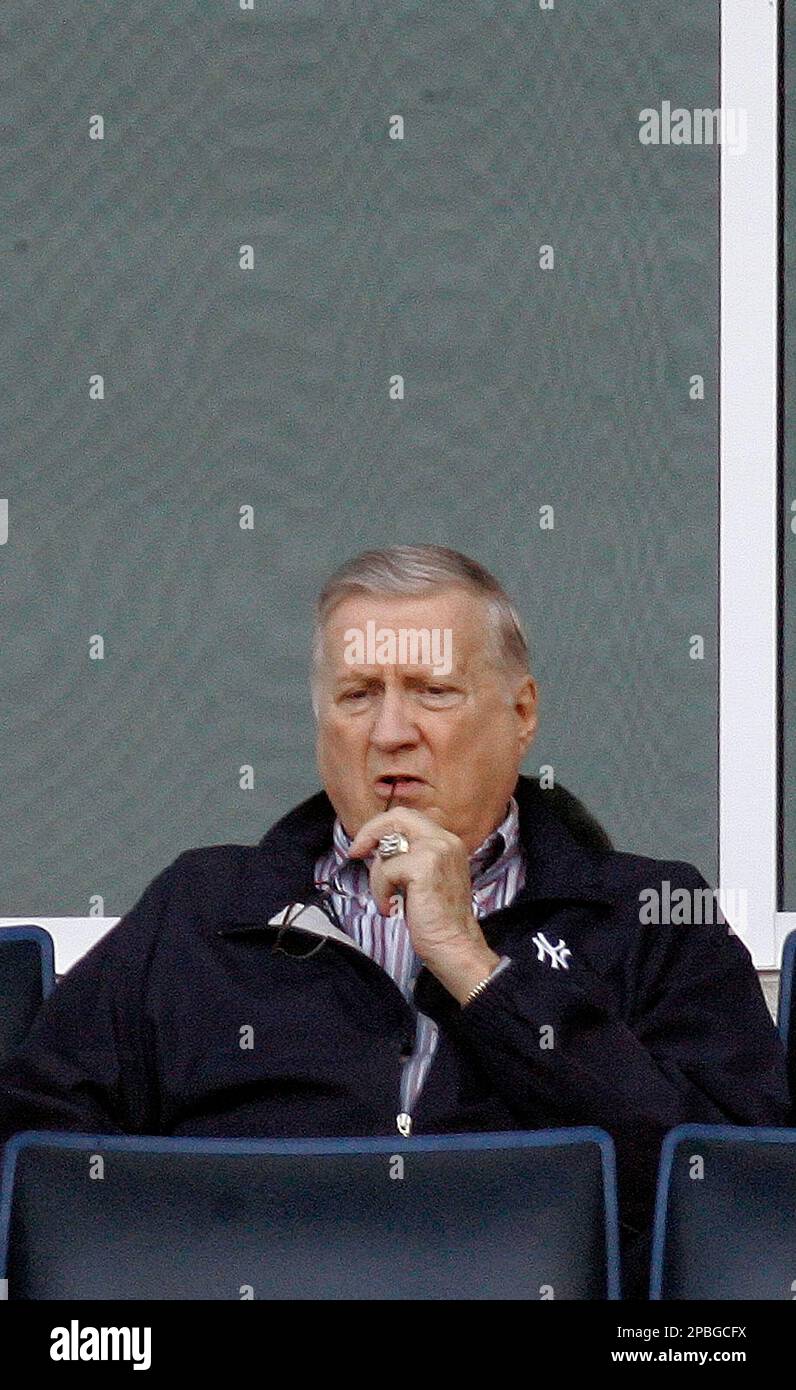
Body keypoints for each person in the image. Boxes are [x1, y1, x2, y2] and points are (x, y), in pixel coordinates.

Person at [0, 544, 790, 1299]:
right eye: (357, 695)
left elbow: (734, 1200)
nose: (389, 732)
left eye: (433, 691)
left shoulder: (650, 917)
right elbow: (34, 1159)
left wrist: (479, 972)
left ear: (523, 714)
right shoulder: (204, 907)